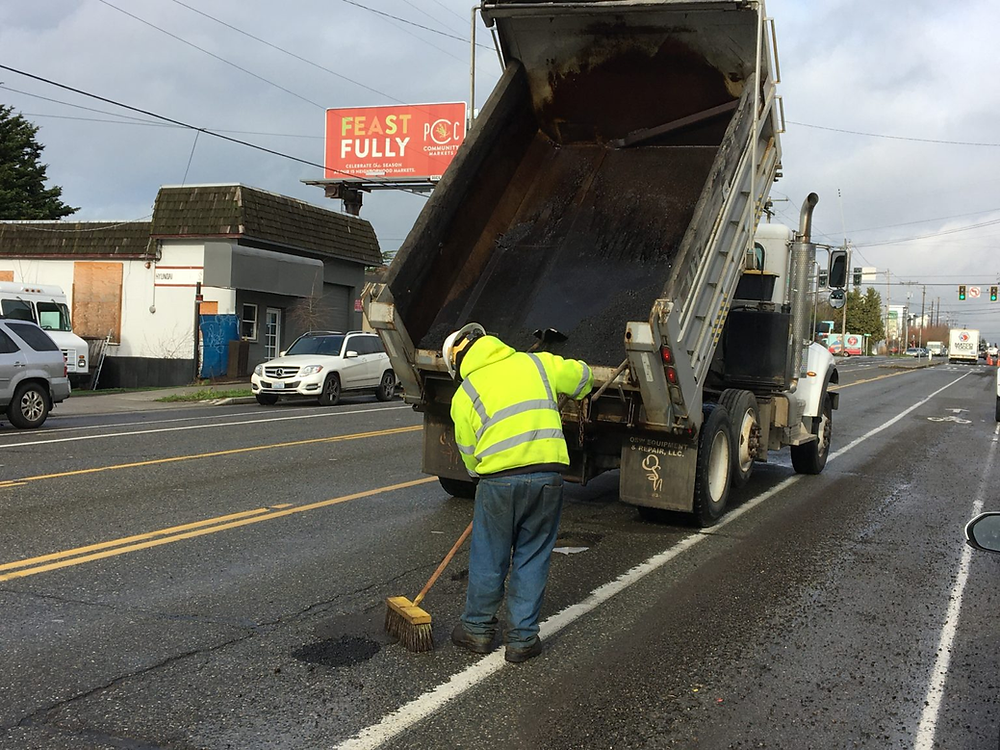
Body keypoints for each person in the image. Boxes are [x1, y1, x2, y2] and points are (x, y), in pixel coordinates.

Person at [442, 323, 593, 663]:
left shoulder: (465, 393)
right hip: (548, 478)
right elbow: (583, 379)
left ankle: (477, 631)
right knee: (533, 555)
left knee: (489, 557)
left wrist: (483, 476)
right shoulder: (537, 363)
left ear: (459, 362)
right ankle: (522, 640)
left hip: (497, 482)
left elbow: (469, 452)